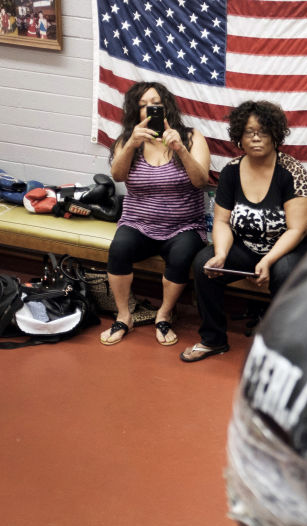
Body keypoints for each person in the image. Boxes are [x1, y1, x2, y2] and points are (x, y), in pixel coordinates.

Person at [182, 100, 307, 363]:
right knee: (203, 264)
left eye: (263, 132)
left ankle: (282, 350)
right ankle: (214, 339)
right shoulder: (231, 171)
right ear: (239, 137)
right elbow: (221, 221)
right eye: (248, 132)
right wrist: (221, 255)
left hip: (290, 248)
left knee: (284, 271)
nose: (255, 138)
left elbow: (297, 229)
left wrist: (267, 261)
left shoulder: (293, 172)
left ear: (275, 135)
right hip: (248, 245)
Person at [100, 81, 211, 346]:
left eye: (156, 104)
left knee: (182, 254)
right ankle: (124, 315)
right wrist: (130, 145)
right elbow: (117, 175)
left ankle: (164, 314)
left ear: (167, 107)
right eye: (143, 105)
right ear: (135, 112)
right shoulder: (128, 140)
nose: (151, 109)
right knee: (119, 249)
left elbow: (201, 181)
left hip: (185, 226)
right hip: (138, 223)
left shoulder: (191, 136)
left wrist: (181, 150)